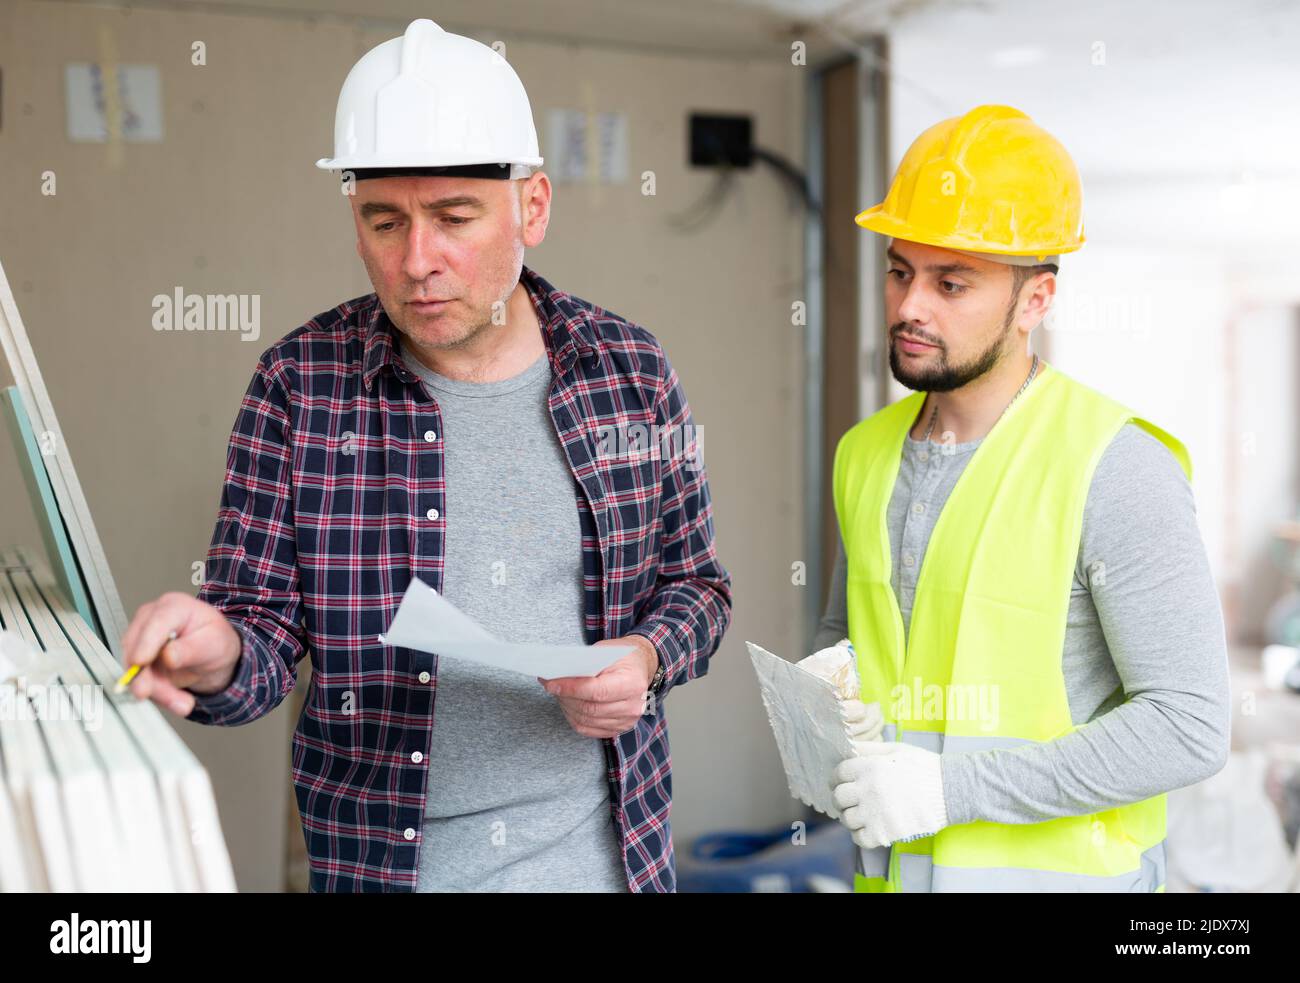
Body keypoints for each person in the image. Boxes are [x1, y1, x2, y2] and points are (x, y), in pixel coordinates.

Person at [119, 19, 731, 893]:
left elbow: (698, 586)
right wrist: (216, 649)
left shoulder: (631, 371)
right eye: (383, 220)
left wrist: (644, 655)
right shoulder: (299, 385)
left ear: (533, 206)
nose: (417, 261)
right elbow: (256, 639)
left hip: (605, 869)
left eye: (453, 217)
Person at [816, 104, 1229, 892]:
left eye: (952, 283)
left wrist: (949, 790)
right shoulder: (864, 452)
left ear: (1035, 300)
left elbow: (1189, 725)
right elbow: (849, 636)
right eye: (900, 270)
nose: (909, 306)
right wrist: (836, 701)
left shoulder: (1115, 465)